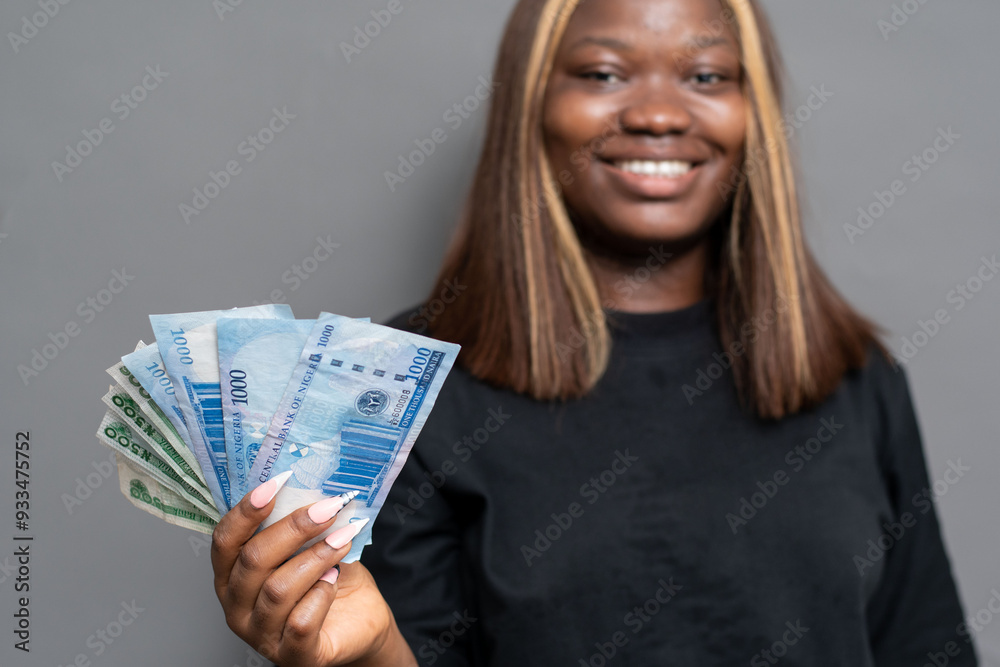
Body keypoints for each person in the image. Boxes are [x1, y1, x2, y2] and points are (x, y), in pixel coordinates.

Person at [210, 0, 978, 665]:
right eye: (604, 74)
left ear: (756, 112)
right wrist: (373, 654)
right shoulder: (394, 390)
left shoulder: (856, 375)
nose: (658, 114)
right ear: (532, 103)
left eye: (707, 75)